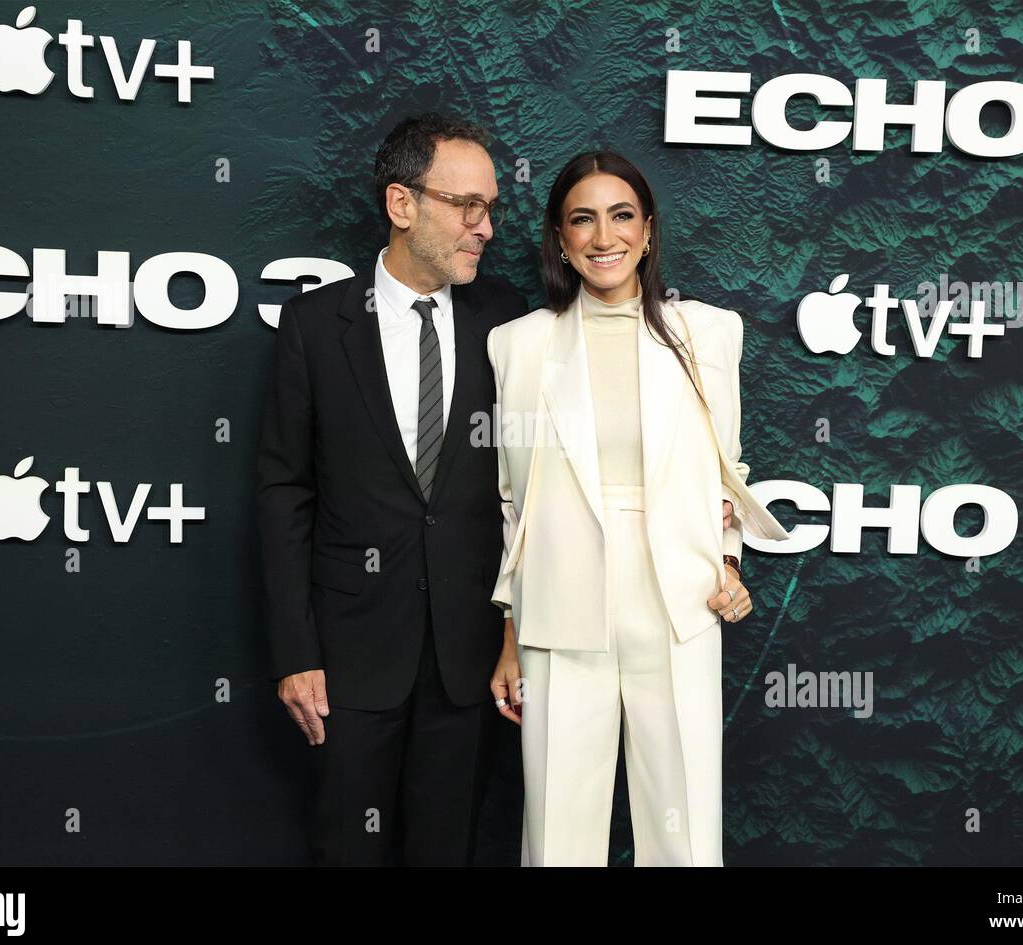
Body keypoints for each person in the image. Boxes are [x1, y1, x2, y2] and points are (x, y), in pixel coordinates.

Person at [487, 150, 790, 866]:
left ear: (648, 231)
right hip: (558, 609)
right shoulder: (518, 346)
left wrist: (726, 562)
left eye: (621, 216)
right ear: (559, 239)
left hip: (679, 602)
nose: (603, 238)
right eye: (582, 220)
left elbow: (728, 468)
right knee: (558, 833)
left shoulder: (708, 334)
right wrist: (508, 627)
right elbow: (512, 498)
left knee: (682, 833)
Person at [256, 112, 528, 865]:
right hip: (346, 661)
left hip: (468, 657)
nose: (485, 228)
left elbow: (534, 492)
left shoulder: (510, 323)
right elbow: (284, 494)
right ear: (402, 205)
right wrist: (294, 653)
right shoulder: (315, 325)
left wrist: (515, 636)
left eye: (492, 208)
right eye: (465, 206)